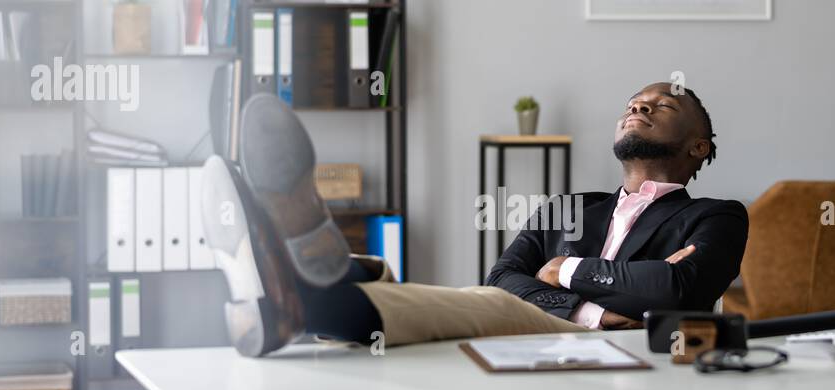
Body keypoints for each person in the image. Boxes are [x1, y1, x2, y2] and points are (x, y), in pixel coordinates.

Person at [202, 82, 748, 357]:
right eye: (634, 102)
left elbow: (678, 287)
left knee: (480, 308)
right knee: (480, 303)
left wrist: (562, 268)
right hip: (568, 338)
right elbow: (503, 277)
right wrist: (593, 310)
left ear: (698, 146)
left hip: (636, 355)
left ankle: (307, 279)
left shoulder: (717, 217)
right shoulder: (571, 206)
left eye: (662, 106)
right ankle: (309, 291)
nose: (640, 107)